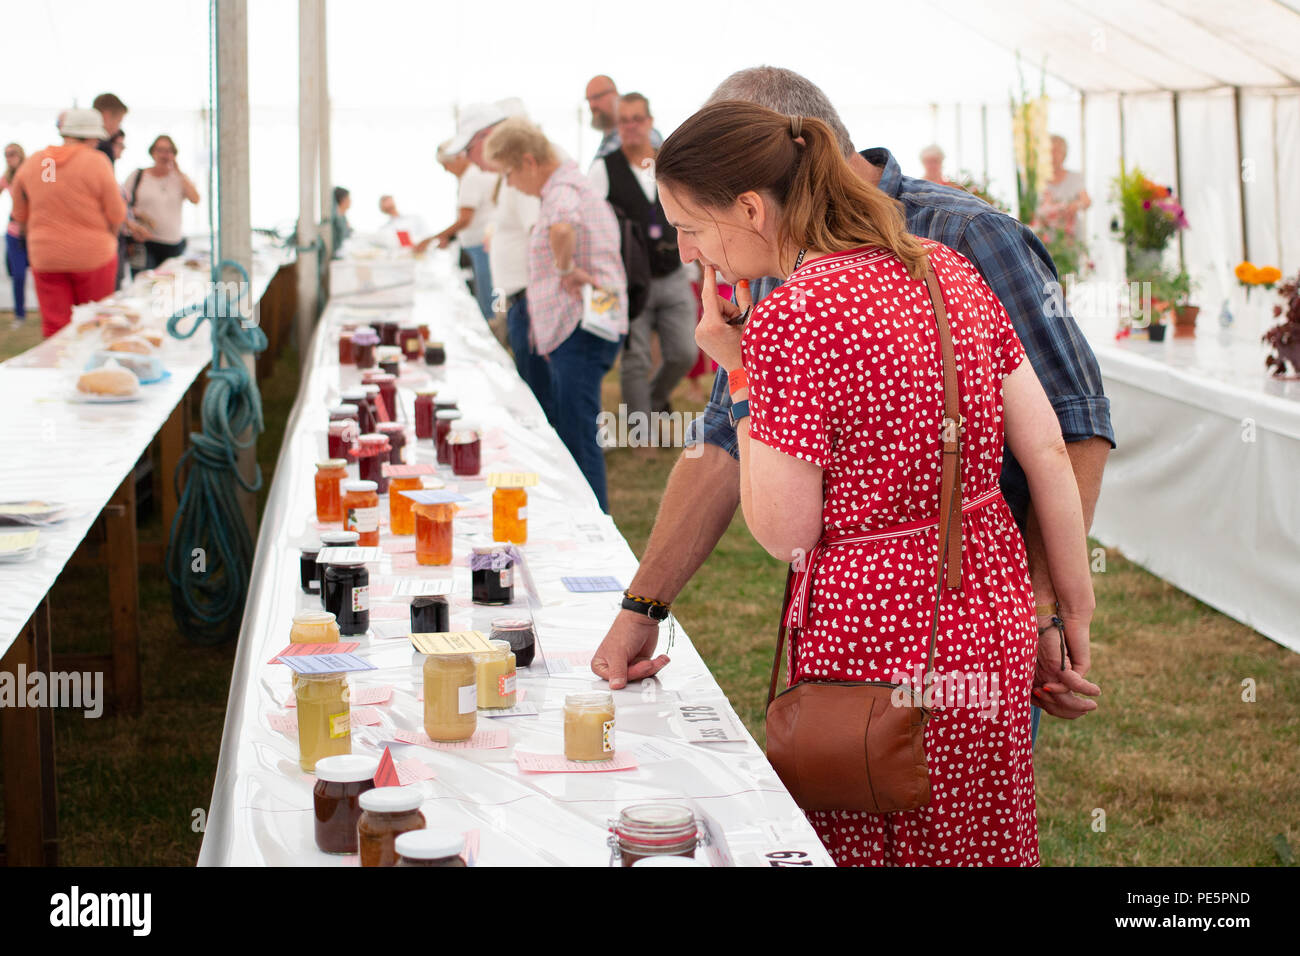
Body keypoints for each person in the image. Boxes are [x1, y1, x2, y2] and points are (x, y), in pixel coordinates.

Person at [591, 67, 1111, 748]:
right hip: (989, 611)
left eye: (691, 226)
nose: (688, 253)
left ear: (754, 200)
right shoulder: (939, 264)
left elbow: (785, 531)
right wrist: (1073, 610)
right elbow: (1044, 445)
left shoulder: (943, 244)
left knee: (868, 817)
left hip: (873, 623)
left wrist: (744, 372)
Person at [484, 117, 627, 511]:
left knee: (578, 433)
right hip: (586, 325)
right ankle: (583, 513)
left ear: (528, 161)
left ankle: (593, 521)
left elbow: (562, 229)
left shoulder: (561, 189)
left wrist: (564, 270)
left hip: (580, 329)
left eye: (510, 173)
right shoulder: (570, 183)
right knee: (575, 427)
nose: (511, 183)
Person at [589, 93, 696, 430]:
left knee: (683, 353)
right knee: (635, 359)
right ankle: (641, 434)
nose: (632, 126)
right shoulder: (603, 170)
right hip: (631, 280)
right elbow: (592, 225)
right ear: (617, 126)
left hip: (675, 274)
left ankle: (651, 399)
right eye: (625, 120)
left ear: (650, 122)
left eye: (638, 119)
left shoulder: (670, 164)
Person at [10, 109, 125, 337]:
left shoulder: (36, 162)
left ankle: (58, 370)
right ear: (93, 137)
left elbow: (19, 213)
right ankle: (93, 372)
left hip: (46, 257)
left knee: (56, 330)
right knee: (94, 323)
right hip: (94, 256)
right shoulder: (96, 162)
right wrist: (109, 237)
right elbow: (117, 214)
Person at [421, 138, 497, 321]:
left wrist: (432, 239)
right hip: (479, 245)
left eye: (446, 165)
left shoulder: (471, 177)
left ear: (458, 159)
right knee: (488, 297)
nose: (447, 171)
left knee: (488, 301)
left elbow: (465, 219)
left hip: (482, 246)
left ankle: (495, 339)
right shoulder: (472, 176)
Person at [123, 135, 200, 270]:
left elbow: (195, 199)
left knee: (170, 285)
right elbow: (122, 202)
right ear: (153, 152)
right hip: (144, 241)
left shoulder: (180, 178)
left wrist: (178, 171)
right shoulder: (138, 175)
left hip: (172, 242)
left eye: (169, 151)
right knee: (144, 283)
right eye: (160, 150)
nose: (164, 155)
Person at [585, 75, 662, 162]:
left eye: (597, 97)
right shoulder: (609, 138)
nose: (592, 105)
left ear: (614, 94)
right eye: (589, 100)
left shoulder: (647, 136)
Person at [1041, 135, 1090, 240]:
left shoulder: (1075, 178)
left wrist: (1077, 205)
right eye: (1050, 151)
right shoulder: (1038, 181)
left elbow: (1086, 201)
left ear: (1064, 154)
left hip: (1070, 240)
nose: (1053, 156)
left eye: (1057, 151)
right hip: (1045, 239)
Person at [2, 143, 29, 327]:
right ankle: (20, 314)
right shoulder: (7, 177)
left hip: (32, 233)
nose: (9, 157)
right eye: (6, 154)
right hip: (14, 232)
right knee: (17, 275)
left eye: (12, 154)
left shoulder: (29, 174)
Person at [93, 93, 127, 168]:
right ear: (106, 116)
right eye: (118, 122)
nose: (117, 129)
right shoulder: (104, 148)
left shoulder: (77, 143)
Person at [331, 186, 352, 258]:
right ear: (342, 200)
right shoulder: (336, 219)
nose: (350, 201)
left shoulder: (342, 217)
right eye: (348, 198)